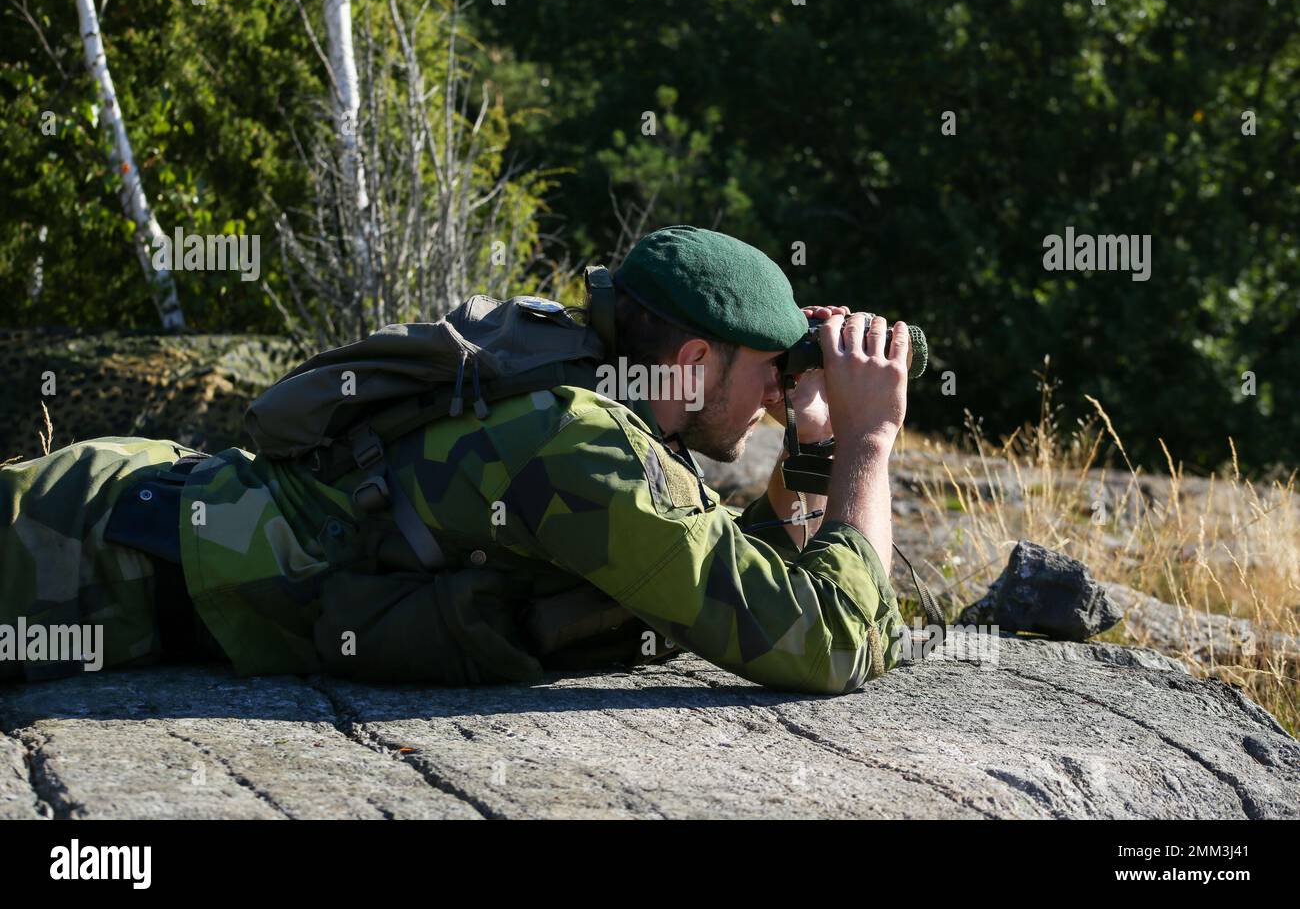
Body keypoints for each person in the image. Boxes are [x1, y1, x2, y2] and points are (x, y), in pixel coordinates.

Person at [1, 225, 911, 693]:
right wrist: (872, 440)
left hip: (133, 530)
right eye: (767, 372)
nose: (773, 394)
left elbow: (744, 581)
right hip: (79, 551)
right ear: (687, 365)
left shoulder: (603, 407)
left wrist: (819, 439)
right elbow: (827, 641)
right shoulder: (582, 446)